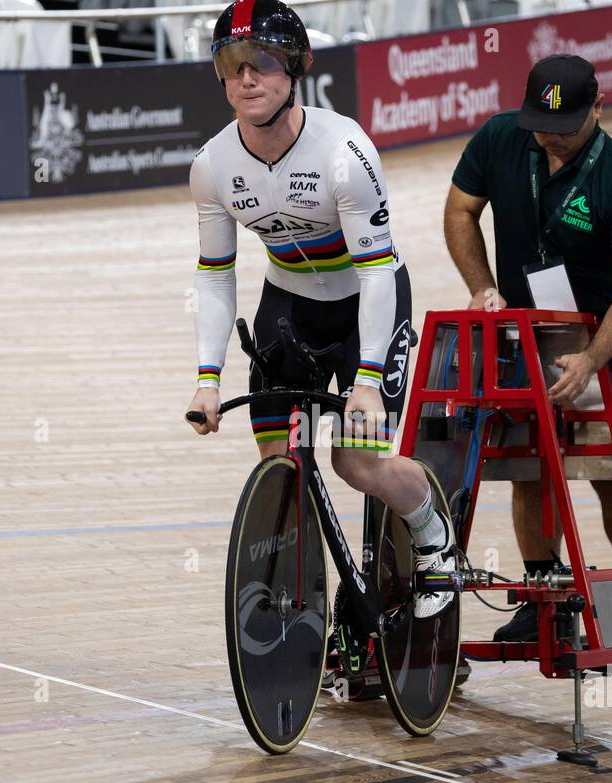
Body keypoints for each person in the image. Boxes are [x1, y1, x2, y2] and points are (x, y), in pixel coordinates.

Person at [184, 0, 454, 617]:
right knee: (281, 465)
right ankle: (309, 608)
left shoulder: (344, 153)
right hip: (290, 309)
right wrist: (206, 379)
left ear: (295, 68)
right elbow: (215, 277)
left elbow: (378, 269)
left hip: (367, 304)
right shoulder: (212, 166)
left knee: (355, 459)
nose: (246, 77)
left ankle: (433, 534)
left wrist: (364, 378)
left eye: (263, 62)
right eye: (232, 63)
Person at [443, 54, 612, 641]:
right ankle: (543, 599)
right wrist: (481, 287)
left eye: (565, 128)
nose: (550, 137)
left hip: (598, 345)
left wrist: (592, 358)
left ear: (598, 107)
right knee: (528, 471)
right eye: (541, 123)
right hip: (520, 339)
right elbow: (461, 209)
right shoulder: (499, 138)